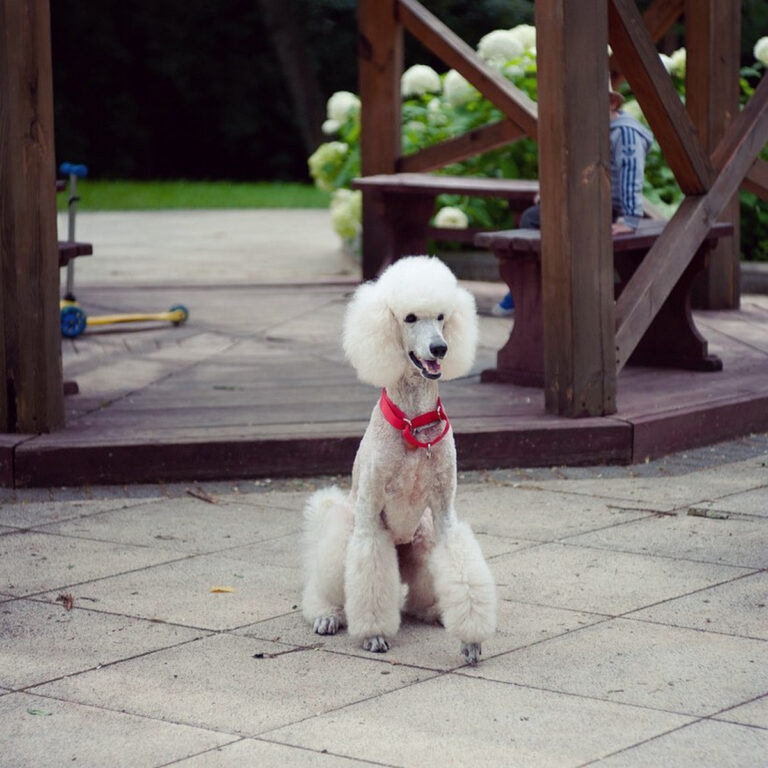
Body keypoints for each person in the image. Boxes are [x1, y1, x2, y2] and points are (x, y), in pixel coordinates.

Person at [492, 85, 654, 317]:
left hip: (613, 207)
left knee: (547, 223)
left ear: (612, 104)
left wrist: (630, 218)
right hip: (589, 202)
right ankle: (531, 287)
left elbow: (631, 174)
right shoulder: (590, 130)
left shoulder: (624, 133)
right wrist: (552, 195)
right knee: (534, 217)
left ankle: (534, 289)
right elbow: (572, 170)